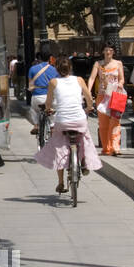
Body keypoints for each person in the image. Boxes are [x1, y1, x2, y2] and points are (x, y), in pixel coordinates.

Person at [34, 55, 103, 192]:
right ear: (70, 68)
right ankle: (84, 162)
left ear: (57, 69)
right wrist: (89, 107)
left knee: (59, 147)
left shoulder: (53, 82)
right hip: (79, 119)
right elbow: (88, 96)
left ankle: (60, 183)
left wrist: (49, 109)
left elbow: (49, 102)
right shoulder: (79, 80)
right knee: (85, 138)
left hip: (62, 121)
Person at [87, 44, 126, 156]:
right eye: (106, 50)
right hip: (102, 95)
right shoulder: (98, 64)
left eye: (110, 50)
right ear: (103, 52)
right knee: (103, 123)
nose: (108, 52)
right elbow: (92, 78)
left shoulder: (118, 63)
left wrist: (120, 84)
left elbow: (122, 78)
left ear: (113, 52)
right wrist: (88, 91)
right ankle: (106, 148)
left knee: (115, 121)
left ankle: (115, 147)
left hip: (115, 95)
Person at [26, 48, 58, 136]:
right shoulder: (54, 70)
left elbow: (31, 86)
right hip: (51, 97)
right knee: (53, 111)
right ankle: (52, 127)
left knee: (34, 109)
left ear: (39, 57)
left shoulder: (32, 69)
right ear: (50, 58)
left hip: (38, 97)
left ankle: (36, 125)